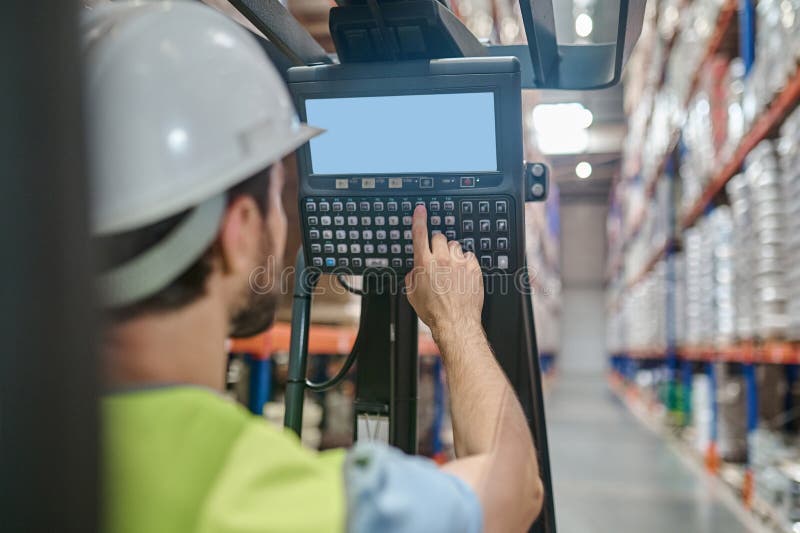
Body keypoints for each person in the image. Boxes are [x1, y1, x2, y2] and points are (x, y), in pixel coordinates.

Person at [86, 2, 544, 532]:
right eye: (280, 191)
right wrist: (458, 321)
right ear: (236, 231)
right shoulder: (303, 505)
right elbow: (515, 490)